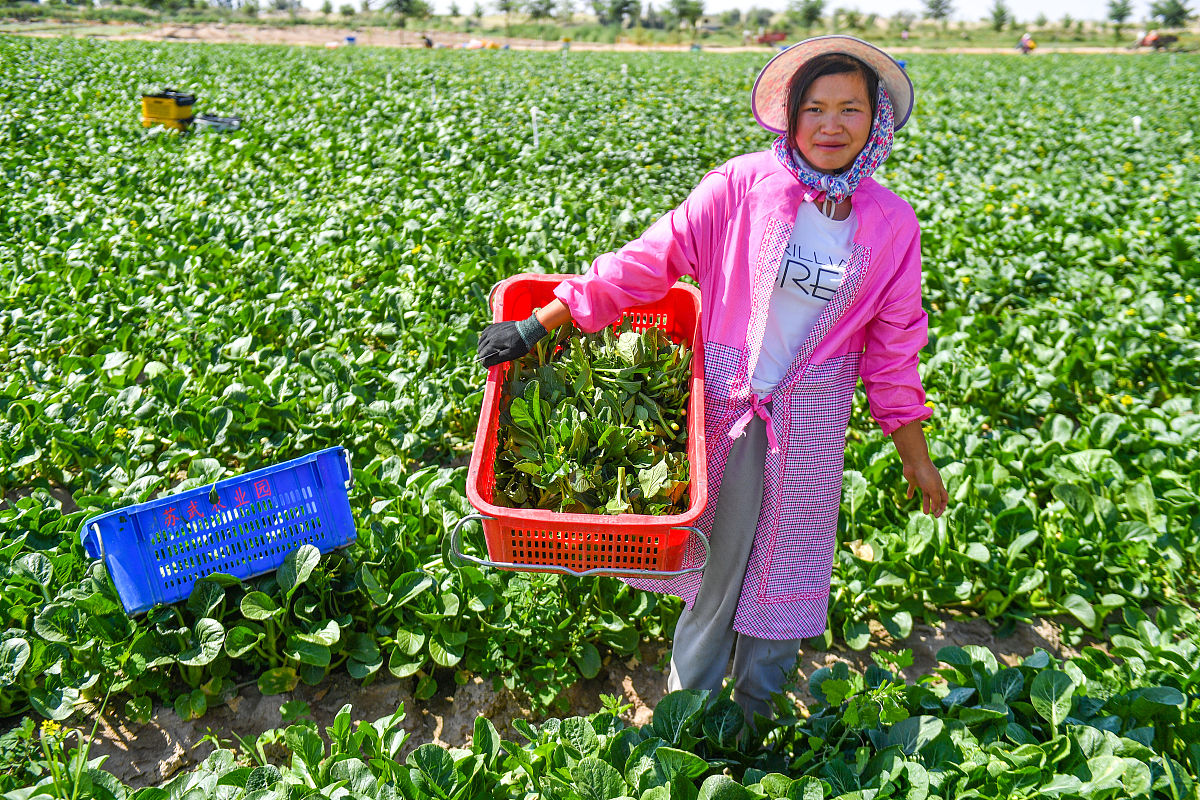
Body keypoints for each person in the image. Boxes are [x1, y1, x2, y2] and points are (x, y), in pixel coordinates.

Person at [475, 35, 949, 726]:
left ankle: (759, 722)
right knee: (714, 576)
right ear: (790, 116)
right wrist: (548, 318)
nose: (830, 124)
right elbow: (651, 259)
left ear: (875, 121)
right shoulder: (744, 186)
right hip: (725, 412)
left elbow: (894, 351)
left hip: (810, 424)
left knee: (789, 570)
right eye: (814, 107)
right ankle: (687, 724)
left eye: (850, 108)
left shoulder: (890, 224)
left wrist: (917, 456)